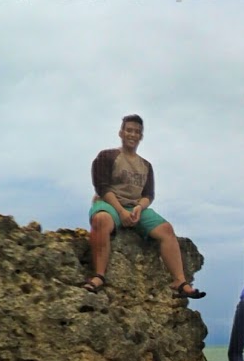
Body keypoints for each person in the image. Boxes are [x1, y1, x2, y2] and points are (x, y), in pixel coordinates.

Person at [83, 114, 204, 298]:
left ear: (141, 136)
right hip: (110, 203)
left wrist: (139, 208)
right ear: (121, 133)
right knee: (101, 220)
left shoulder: (146, 165)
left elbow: (148, 194)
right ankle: (99, 276)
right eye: (129, 130)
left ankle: (180, 281)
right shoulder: (107, 156)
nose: (132, 134)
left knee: (166, 229)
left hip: (135, 207)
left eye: (136, 132)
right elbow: (102, 187)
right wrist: (121, 211)